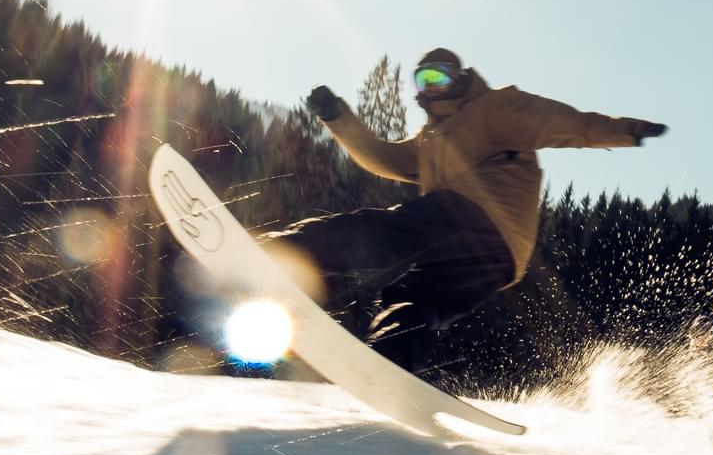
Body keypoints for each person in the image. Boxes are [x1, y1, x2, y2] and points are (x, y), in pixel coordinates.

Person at [284, 48, 666, 368]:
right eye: (423, 81)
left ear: (460, 77)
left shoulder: (494, 108)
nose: (432, 88)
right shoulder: (429, 139)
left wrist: (623, 129)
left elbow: (564, 124)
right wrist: (338, 118)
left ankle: (286, 251)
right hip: (501, 260)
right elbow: (383, 157)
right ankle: (391, 359)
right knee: (417, 299)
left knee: (378, 232)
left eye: (440, 77)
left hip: (478, 216)